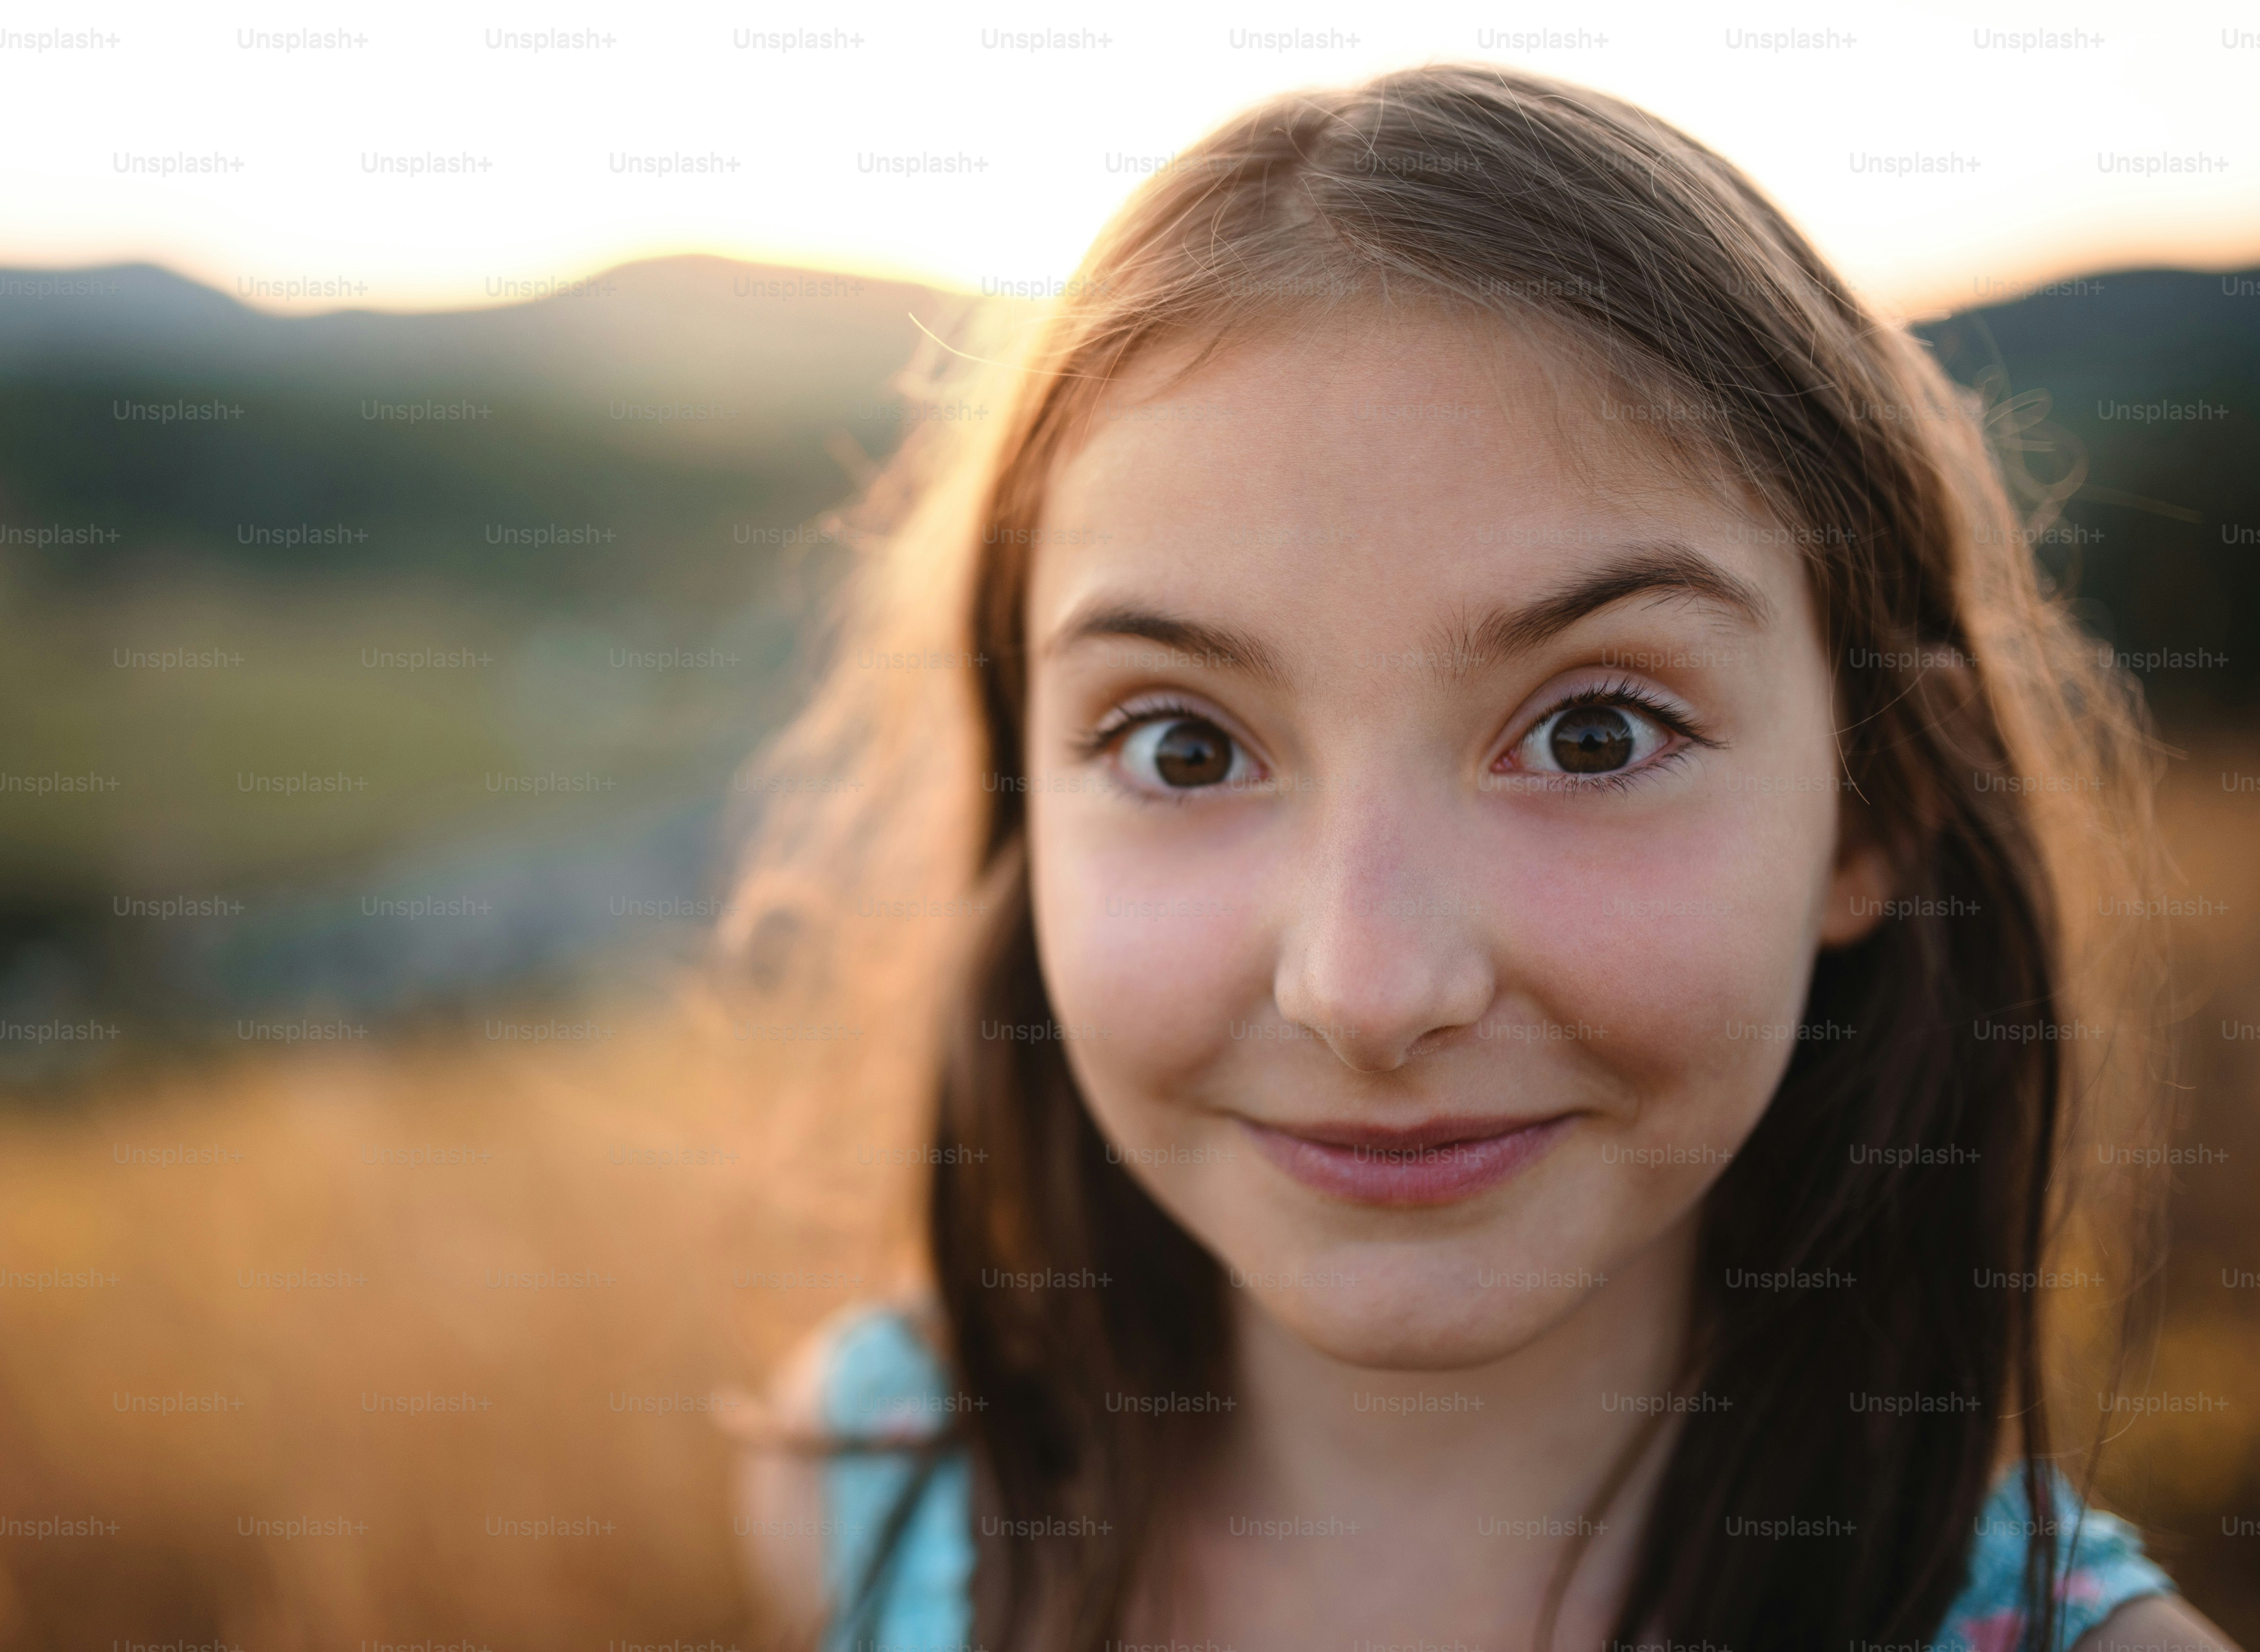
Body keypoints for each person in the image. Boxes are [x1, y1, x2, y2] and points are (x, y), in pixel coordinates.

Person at [724, 64, 2237, 1652]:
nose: (1368, 990)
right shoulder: (875, 1488)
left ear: (1876, 805)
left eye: (1593, 736)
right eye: (1184, 747)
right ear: (1030, 809)